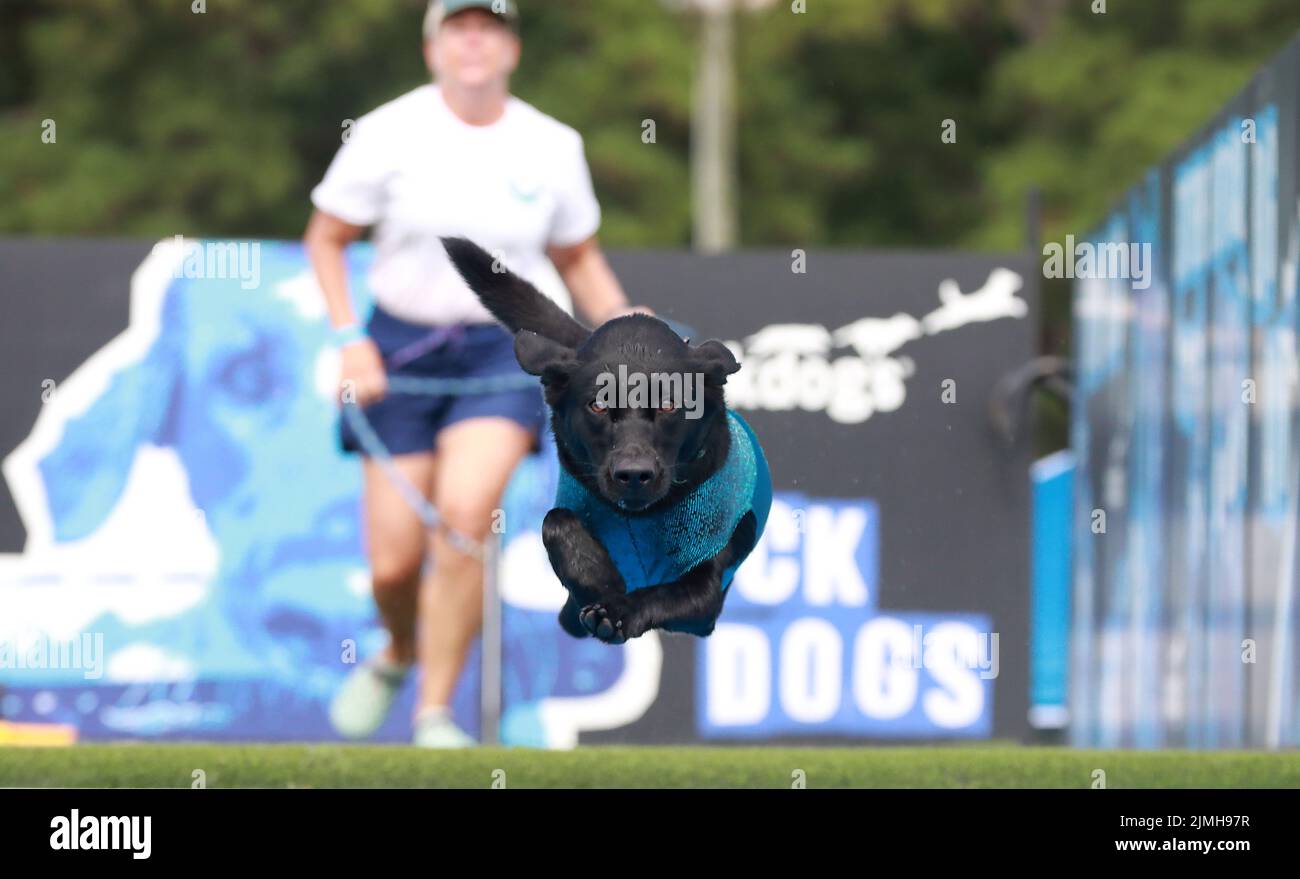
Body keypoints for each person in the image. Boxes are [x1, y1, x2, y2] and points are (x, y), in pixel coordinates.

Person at [303, 0, 651, 747]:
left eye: (488, 26)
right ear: (432, 49)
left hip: (504, 351)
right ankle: (398, 652)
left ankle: (434, 714)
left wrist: (621, 328)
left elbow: (577, 257)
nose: (473, 40)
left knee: (465, 520)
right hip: (396, 347)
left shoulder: (553, 145)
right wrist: (348, 339)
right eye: (457, 27)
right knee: (393, 562)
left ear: (512, 49)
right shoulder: (385, 133)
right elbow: (327, 239)